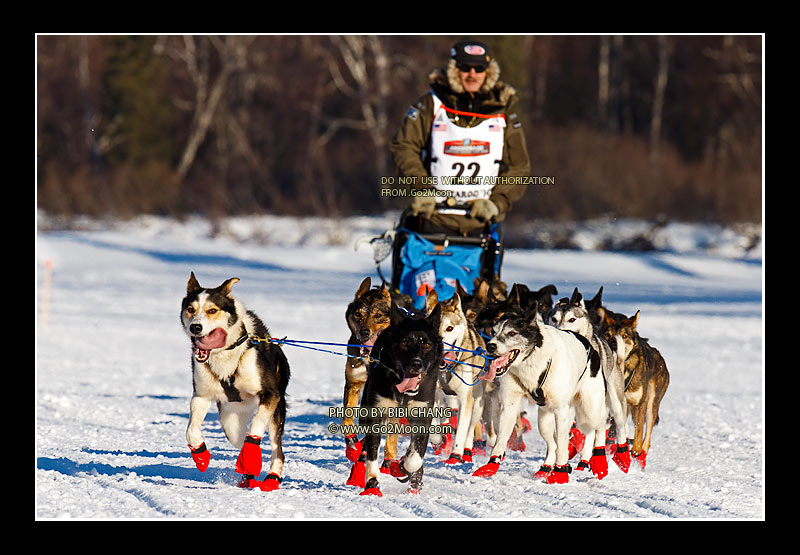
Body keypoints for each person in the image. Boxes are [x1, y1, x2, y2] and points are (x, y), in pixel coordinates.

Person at [389, 39, 531, 237]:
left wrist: (497, 202)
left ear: (488, 72)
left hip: (481, 223)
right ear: (454, 69)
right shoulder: (431, 104)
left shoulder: (502, 110)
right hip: (432, 218)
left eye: (479, 68)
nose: (472, 74)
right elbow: (404, 147)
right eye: (465, 67)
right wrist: (422, 189)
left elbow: (519, 167)